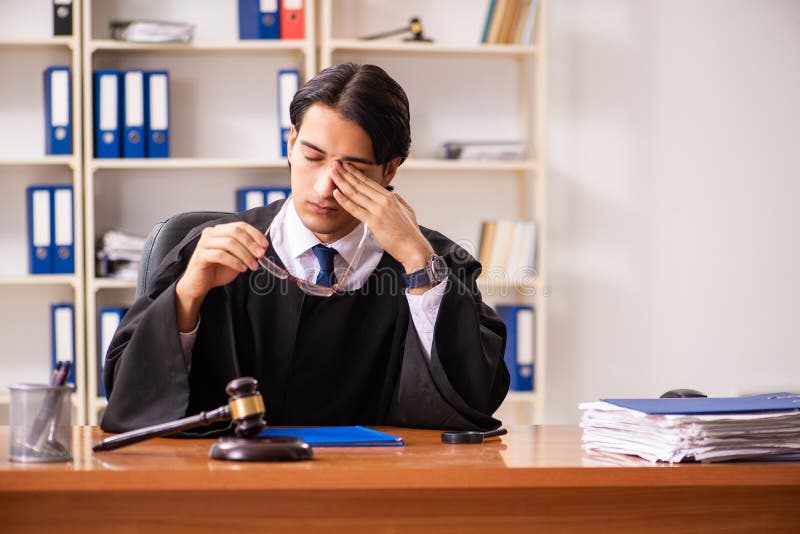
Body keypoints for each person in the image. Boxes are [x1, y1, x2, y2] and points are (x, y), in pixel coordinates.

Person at [101, 63, 508, 435]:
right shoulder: (209, 250)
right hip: (234, 476)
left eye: (352, 170)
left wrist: (418, 264)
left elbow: (473, 404)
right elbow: (127, 401)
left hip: (382, 481)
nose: (324, 188)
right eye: (312, 157)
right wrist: (189, 294)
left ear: (389, 170)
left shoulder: (437, 262)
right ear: (291, 143)